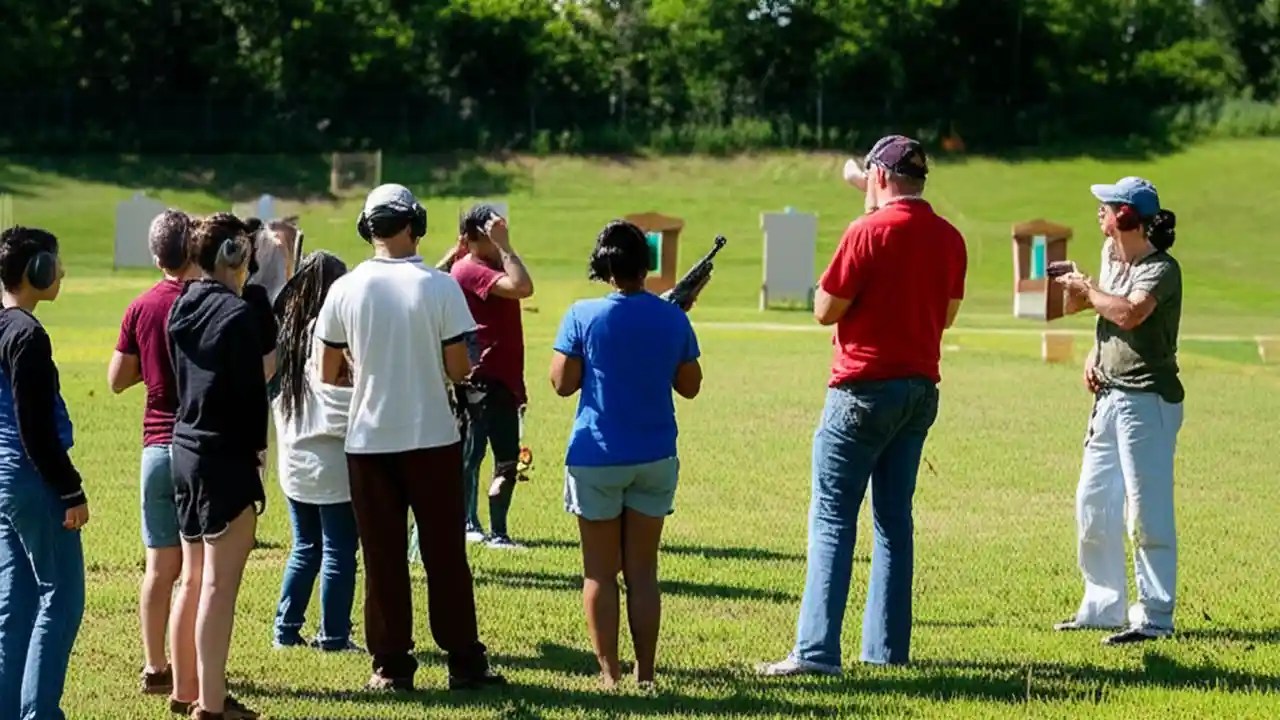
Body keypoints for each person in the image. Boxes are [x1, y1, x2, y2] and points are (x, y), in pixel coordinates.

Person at [759, 135, 967, 676]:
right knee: (894, 521)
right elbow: (945, 317)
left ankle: (816, 651)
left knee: (832, 517)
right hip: (920, 390)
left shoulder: (865, 231)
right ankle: (886, 651)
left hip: (861, 389)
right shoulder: (950, 237)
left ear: (878, 177)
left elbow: (824, 309)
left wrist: (865, 216)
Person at [314, 183, 505, 692]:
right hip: (433, 438)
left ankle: (392, 667)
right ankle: (465, 661)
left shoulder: (345, 289)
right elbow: (458, 367)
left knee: (382, 559)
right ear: (413, 223)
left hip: (367, 443)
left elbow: (328, 370)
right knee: (445, 556)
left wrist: (370, 370)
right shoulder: (439, 286)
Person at [549, 219, 704, 689]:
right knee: (643, 571)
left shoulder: (582, 313)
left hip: (596, 454)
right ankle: (648, 673)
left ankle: (610, 675)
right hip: (655, 454)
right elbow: (691, 386)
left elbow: (561, 384)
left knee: (599, 572)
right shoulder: (672, 316)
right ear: (646, 263)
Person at [1051, 176, 1184, 645]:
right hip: (1108, 398)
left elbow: (1128, 313)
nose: (1099, 214)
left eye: (1106, 207)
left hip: (1147, 400)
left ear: (1126, 216)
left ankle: (1155, 615)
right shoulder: (1111, 257)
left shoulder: (1161, 270)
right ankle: (1103, 605)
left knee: (1145, 513)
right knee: (1093, 504)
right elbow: (1101, 316)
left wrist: (1087, 291)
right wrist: (1094, 352)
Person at [167, 212, 267, 720]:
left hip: (183, 450)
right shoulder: (238, 315)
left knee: (191, 577)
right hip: (223, 456)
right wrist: (258, 455)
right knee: (218, 587)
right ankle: (211, 705)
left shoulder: (181, 305)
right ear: (233, 253)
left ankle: (185, 689)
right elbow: (253, 395)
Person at [107, 209, 199, 696]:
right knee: (197, 570)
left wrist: (151, 365)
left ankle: (155, 665)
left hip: (155, 447)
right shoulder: (206, 304)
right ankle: (194, 666)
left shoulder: (141, 307)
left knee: (158, 568)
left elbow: (116, 380)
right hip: (197, 448)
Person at [0, 225, 88, 720]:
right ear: (37, 270)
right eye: (54, 261)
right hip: (34, 482)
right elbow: (36, 429)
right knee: (62, 599)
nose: (61, 270)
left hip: (5, 482)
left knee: (16, 608)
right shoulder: (28, 335)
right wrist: (70, 489)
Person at [270, 251, 361, 653]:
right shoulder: (331, 336)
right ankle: (335, 636)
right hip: (330, 459)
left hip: (295, 457)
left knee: (306, 546)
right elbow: (340, 402)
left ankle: (285, 631)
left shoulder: (285, 334)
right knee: (340, 548)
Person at [447, 204, 533, 547]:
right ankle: (469, 523)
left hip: (505, 379)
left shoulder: (489, 263)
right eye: (492, 236)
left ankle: (499, 531)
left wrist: (503, 249)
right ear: (474, 238)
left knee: (508, 457)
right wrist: (507, 248)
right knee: (471, 455)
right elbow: (523, 287)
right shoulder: (469, 270)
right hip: (480, 379)